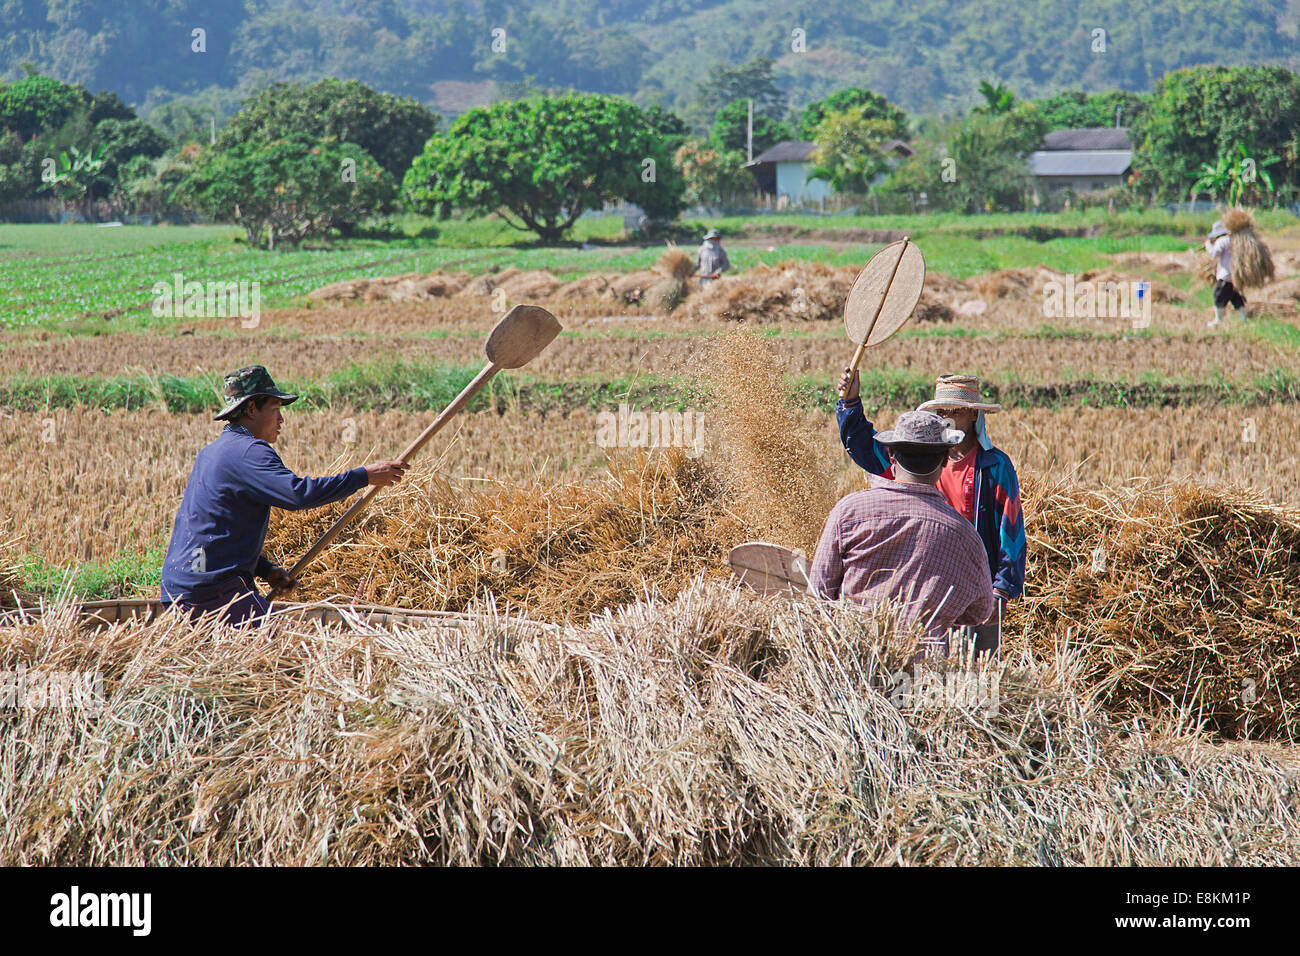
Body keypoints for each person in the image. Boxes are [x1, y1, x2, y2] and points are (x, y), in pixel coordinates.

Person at [160, 365, 409, 627]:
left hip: (180, 586)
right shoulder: (250, 452)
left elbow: (215, 530)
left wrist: (265, 570)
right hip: (214, 590)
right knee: (280, 656)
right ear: (252, 409)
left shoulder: (212, 452)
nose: (281, 420)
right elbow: (297, 495)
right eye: (276, 409)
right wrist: (363, 476)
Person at [835, 371, 1025, 654]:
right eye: (942, 410)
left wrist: (1002, 590)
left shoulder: (995, 467)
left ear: (973, 416)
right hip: (925, 586)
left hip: (975, 590)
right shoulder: (916, 458)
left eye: (957, 411)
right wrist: (850, 404)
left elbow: (1011, 530)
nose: (948, 416)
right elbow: (865, 448)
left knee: (975, 675)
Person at [809, 410, 994, 650]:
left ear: (891, 455)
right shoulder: (965, 535)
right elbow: (980, 611)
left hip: (851, 666)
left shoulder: (850, 511)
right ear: (945, 460)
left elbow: (819, 592)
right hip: (923, 675)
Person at [1205, 219, 1250, 327]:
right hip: (1236, 275)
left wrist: (1208, 245)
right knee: (1236, 298)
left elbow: (1214, 254)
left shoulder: (1222, 241)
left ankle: (1218, 320)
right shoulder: (1236, 240)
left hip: (1225, 275)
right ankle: (1244, 321)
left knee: (1219, 297)